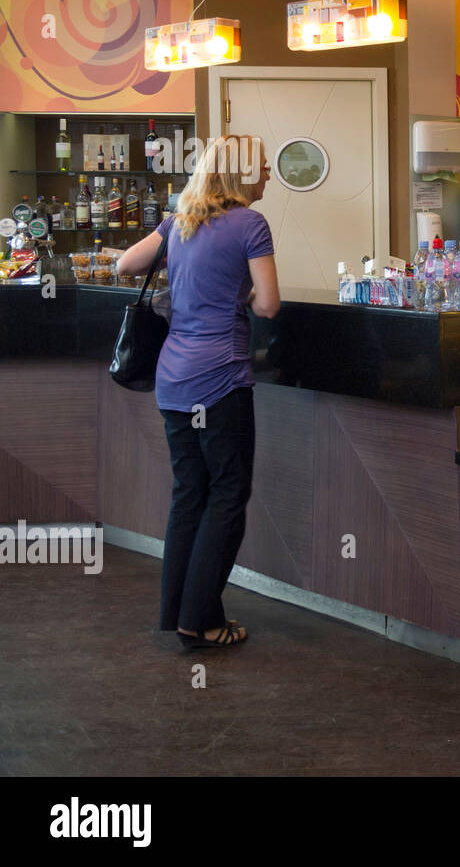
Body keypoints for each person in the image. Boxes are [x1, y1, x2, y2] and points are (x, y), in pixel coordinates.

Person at [117, 135, 279, 649]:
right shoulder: (251, 224)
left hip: (173, 379)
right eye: (263, 166)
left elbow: (125, 265)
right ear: (241, 173)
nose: (270, 173)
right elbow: (270, 306)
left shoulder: (178, 221)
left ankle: (179, 614)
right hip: (222, 378)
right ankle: (200, 620)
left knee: (190, 496)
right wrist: (244, 291)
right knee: (228, 495)